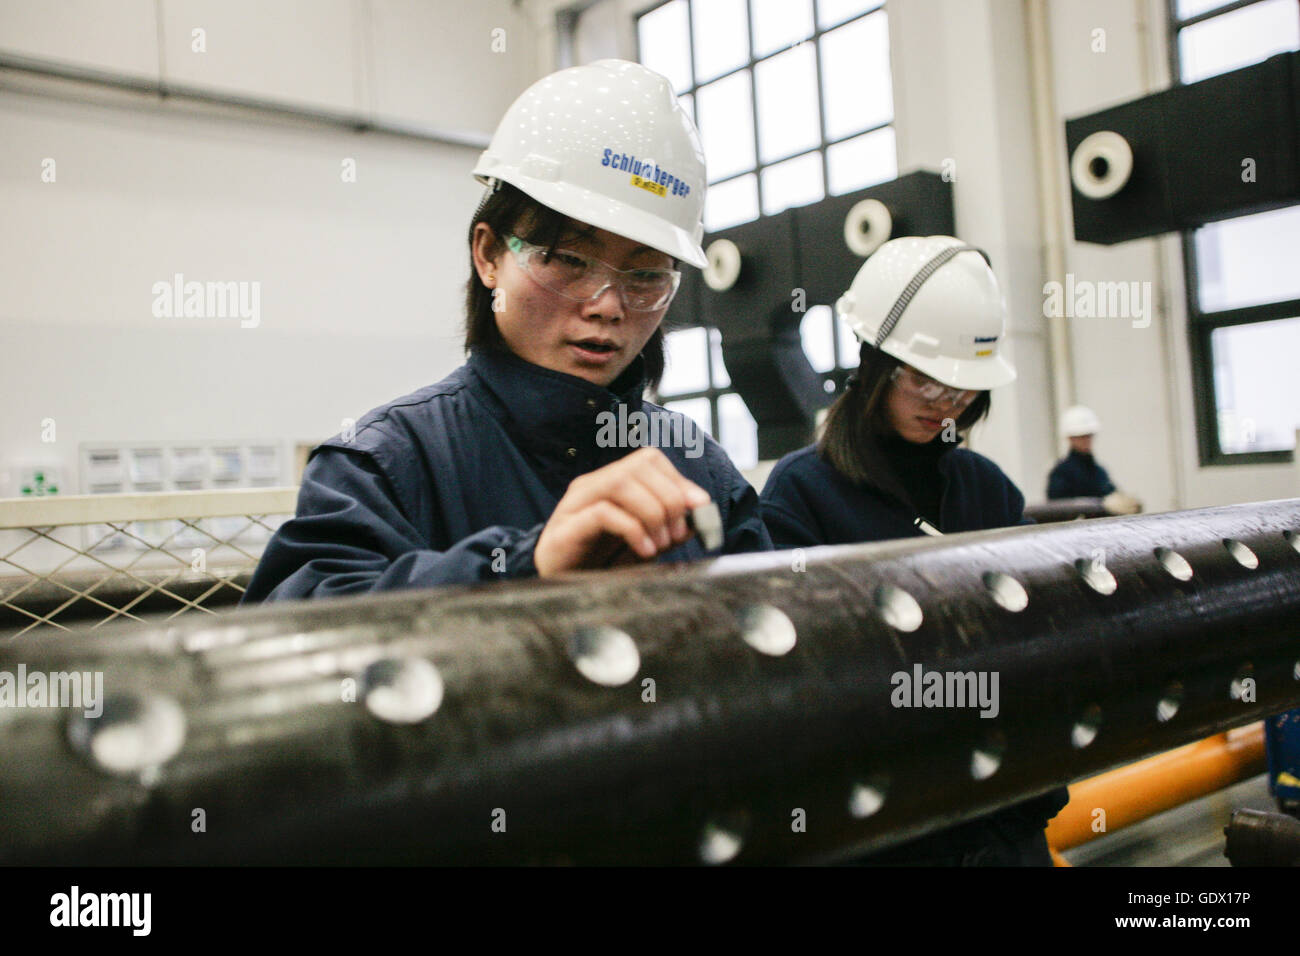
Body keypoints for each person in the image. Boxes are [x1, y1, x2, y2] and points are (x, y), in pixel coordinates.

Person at [243, 59, 770, 604]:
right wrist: (526, 565)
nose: (608, 305)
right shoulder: (384, 466)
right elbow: (290, 639)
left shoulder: (699, 470)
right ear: (489, 253)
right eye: (569, 258)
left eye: (644, 276)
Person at [759, 235, 1068, 865]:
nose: (947, 404)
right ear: (873, 362)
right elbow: (804, 686)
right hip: (889, 832)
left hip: (1002, 819)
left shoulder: (987, 491)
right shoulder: (802, 495)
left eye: (963, 389)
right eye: (927, 381)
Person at [1047, 406, 1116, 500]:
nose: (1086, 440)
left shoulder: (1099, 471)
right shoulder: (1061, 473)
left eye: (1089, 436)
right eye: (1081, 436)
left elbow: (1110, 493)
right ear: (1070, 438)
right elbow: (1058, 507)